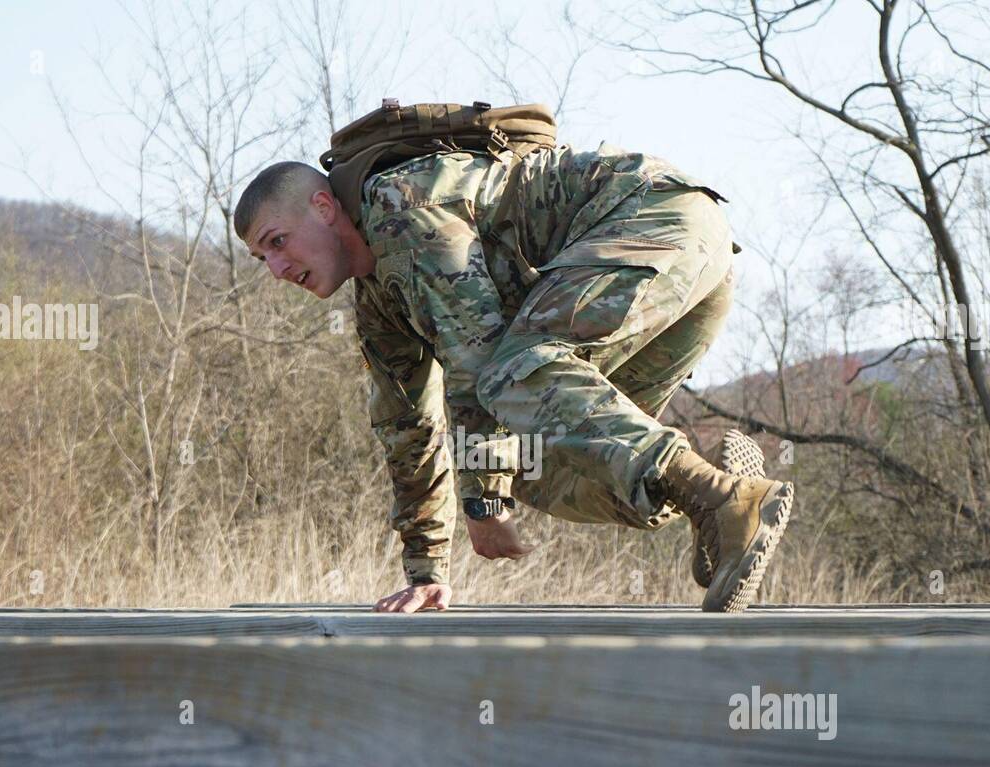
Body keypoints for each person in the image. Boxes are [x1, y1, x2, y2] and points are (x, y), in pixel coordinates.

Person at [234, 140, 793, 613]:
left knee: (508, 380)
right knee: (536, 464)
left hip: (653, 219)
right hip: (686, 256)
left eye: (278, 241)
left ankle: (725, 500)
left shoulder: (402, 208)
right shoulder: (381, 300)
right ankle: (703, 491)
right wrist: (427, 568)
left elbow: (475, 363)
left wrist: (484, 505)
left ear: (324, 208)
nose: (279, 270)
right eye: (263, 260)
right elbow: (407, 426)